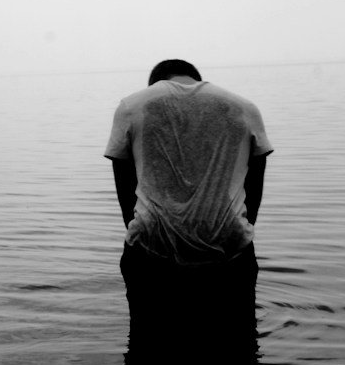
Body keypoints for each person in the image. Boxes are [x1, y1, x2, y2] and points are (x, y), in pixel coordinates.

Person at [104, 59, 272, 336]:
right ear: (196, 78)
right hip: (229, 248)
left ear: (157, 82)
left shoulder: (133, 107)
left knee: (149, 344)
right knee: (237, 345)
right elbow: (255, 182)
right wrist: (237, 229)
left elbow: (125, 185)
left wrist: (141, 229)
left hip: (153, 247)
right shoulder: (243, 107)